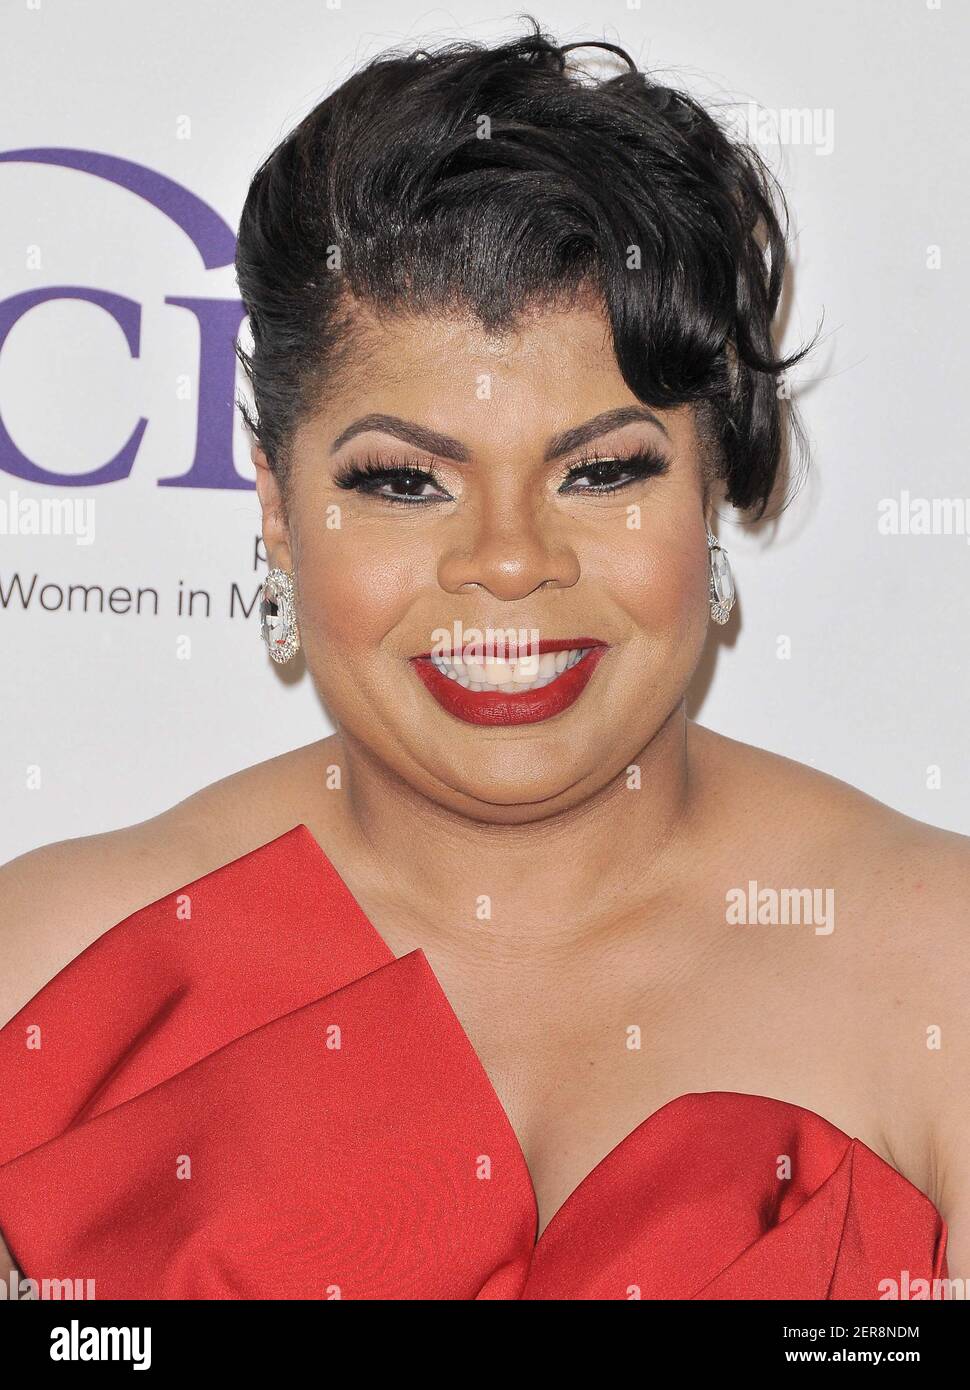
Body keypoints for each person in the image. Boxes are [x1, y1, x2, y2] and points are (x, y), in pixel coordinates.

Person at [0, 20, 965, 1300]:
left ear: (714, 486)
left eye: (603, 469)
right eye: (402, 480)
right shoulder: (56, 965)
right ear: (279, 510)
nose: (508, 562)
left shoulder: (935, 957)